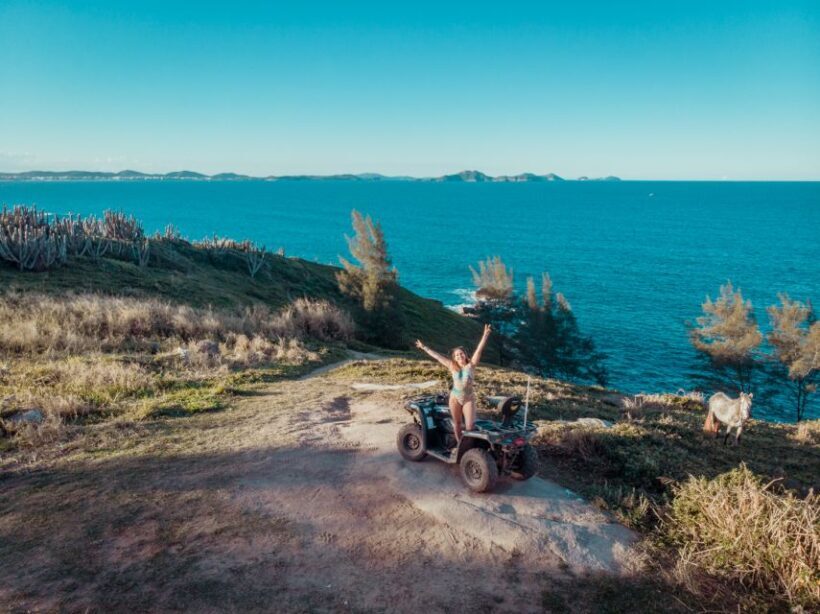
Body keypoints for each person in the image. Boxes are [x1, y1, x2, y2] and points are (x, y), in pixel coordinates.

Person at [415, 324, 492, 444]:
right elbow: (437, 356)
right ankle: (459, 443)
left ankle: (469, 446)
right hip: (455, 398)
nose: (459, 356)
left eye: (461, 353)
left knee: (470, 426)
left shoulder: (471, 365)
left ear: (465, 355)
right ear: (454, 358)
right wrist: (424, 347)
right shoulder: (452, 366)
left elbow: (479, 350)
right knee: (457, 423)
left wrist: (485, 335)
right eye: (456, 355)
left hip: (468, 398)